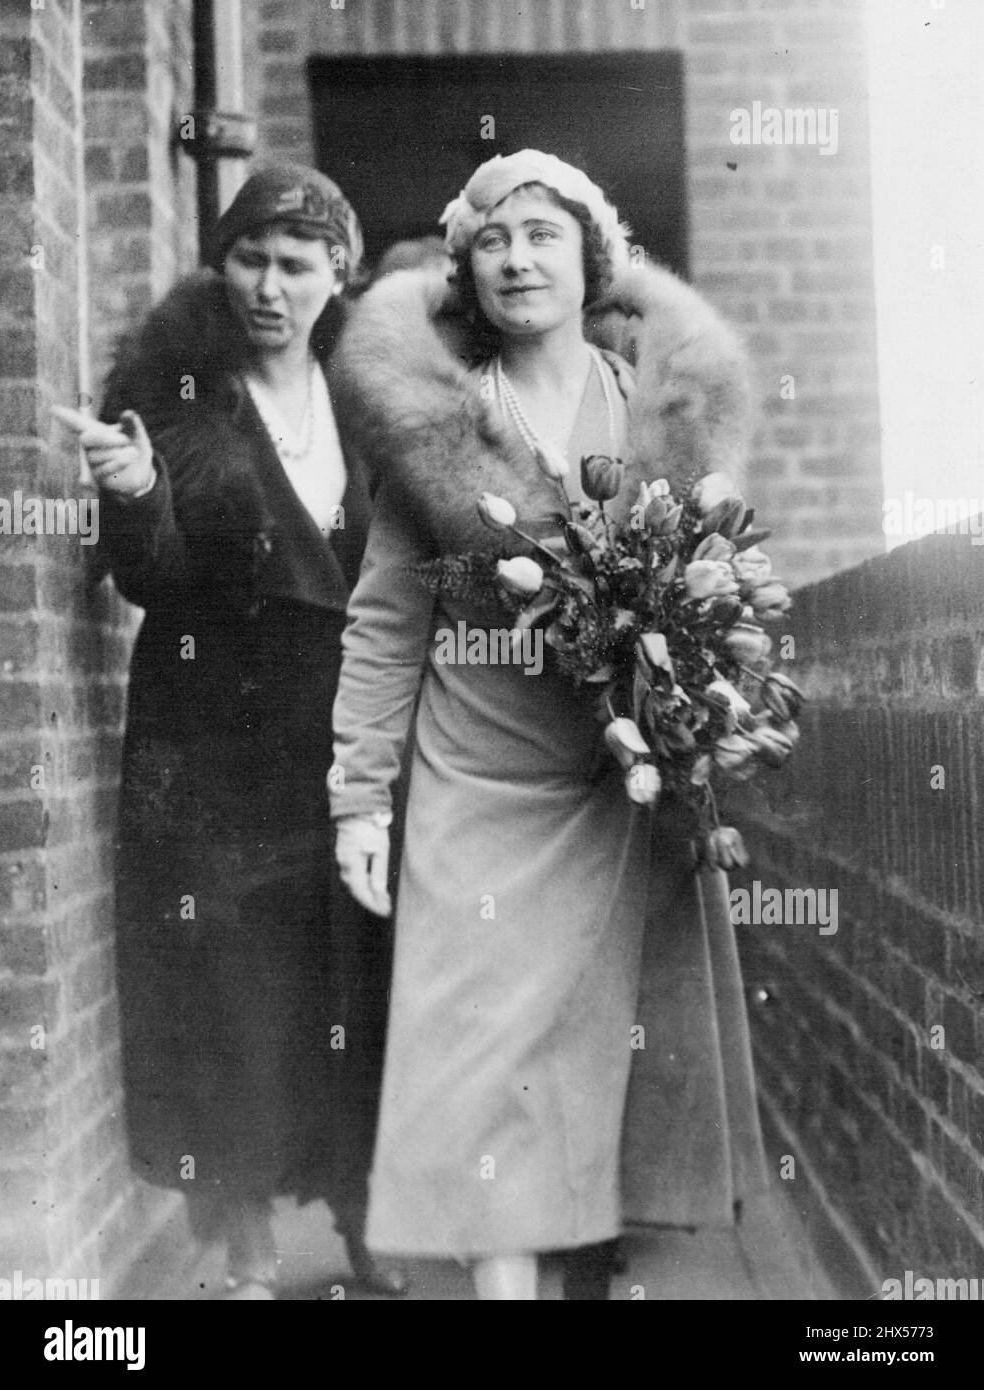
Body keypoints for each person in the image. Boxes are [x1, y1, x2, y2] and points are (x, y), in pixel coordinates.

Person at [326, 150, 770, 1300]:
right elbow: (384, 622)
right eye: (492, 239)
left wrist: (705, 709)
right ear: (464, 267)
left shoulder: (644, 410)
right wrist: (359, 795)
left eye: (542, 235)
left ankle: (596, 1273)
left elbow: (717, 597)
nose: (518, 259)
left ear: (591, 258)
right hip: (478, 787)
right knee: (481, 1067)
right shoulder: (442, 422)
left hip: (616, 788)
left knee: (601, 1065)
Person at [81, 164, 404, 1299]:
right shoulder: (176, 394)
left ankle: (366, 1220)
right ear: (225, 266)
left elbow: (399, 566)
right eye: (251, 259)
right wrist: (135, 490)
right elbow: (154, 580)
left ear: (338, 275)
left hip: (344, 730)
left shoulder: (367, 397)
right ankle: (251, 1245)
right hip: (216, 729)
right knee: (233, 987)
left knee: (353, 977)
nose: (270, 287)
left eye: (297, 265)